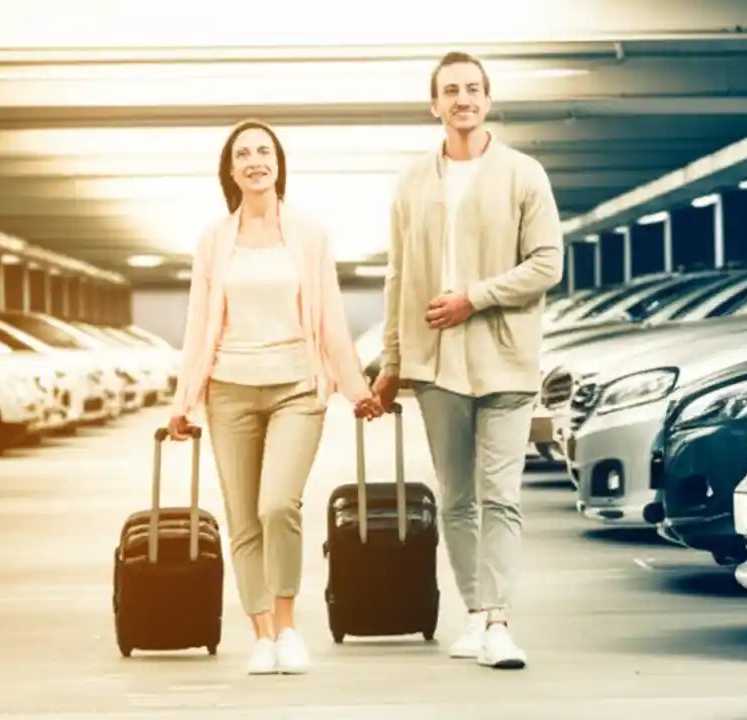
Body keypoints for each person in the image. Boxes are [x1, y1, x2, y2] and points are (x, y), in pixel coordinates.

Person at [165, 119, 384, 676]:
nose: (256, 160)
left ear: (279, 164)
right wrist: (184, 401)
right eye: (244, 153)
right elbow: (197, 326)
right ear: (231, 169)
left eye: (265, 151)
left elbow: (331, 314)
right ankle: (260, 632)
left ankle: (287, 626)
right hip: (229, 390)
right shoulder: (214, 240)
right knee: (243, 517)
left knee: (276, 506)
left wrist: (355, 387)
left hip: (295, 386)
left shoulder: (308, 233)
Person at [371, 51, 564, 670]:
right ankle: (475, 612)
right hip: (435, 365)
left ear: (487, 99)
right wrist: (391, 361)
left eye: (473, 88)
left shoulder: (523, 173)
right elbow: (398, 277)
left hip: (505, 359)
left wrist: (472, 299)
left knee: (500, 495)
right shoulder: (411, 182)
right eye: (450, 90)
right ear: (435, 105)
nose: (463, 98)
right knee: (456, 497)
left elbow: (546, 264)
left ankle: (501, 621)